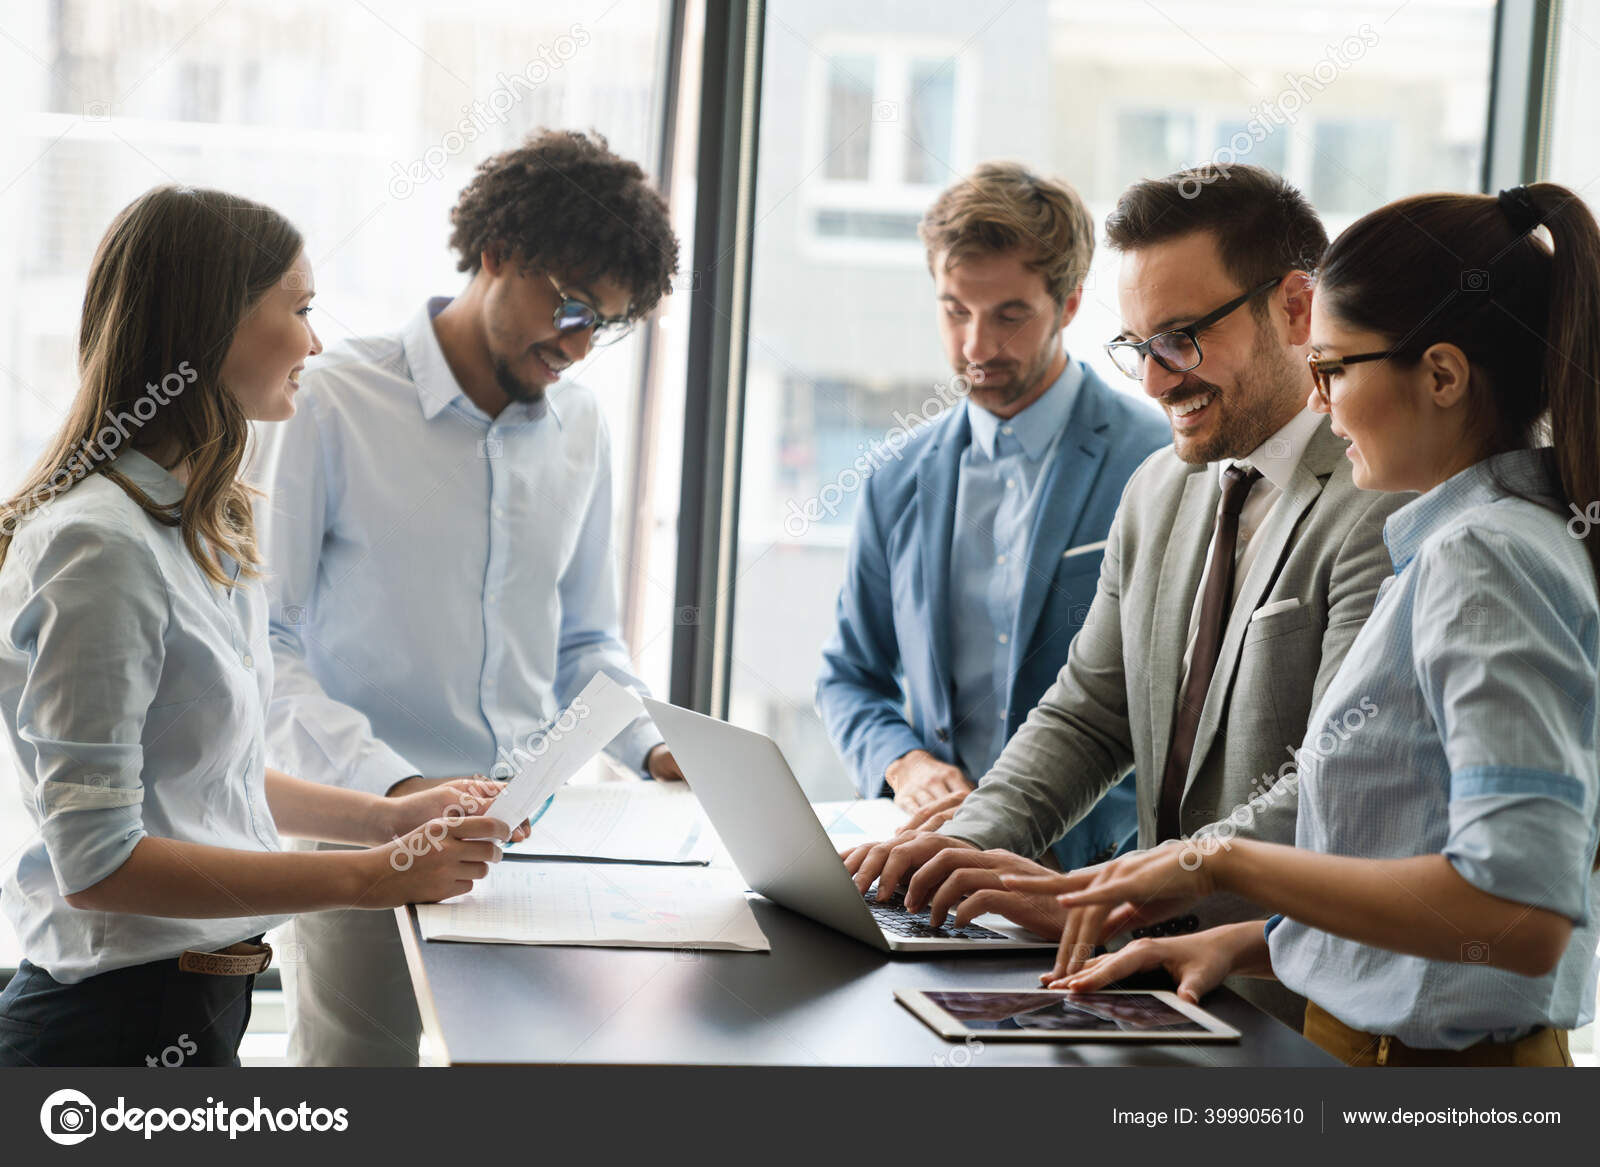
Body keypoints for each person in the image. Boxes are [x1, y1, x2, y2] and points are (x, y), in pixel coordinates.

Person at [1009, 182, 1600, 1067]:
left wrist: (1219, 865)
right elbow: (1410, 857)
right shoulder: (1470, 542)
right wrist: (1250, 942)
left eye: (1333, 370)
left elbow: (1520, 913)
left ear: (1442, 376)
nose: (1319, 402)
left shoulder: (1486, 558)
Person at [843, 164, 1408, 1028]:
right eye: (1139, 345)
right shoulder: (1158, 488)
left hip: (1298, 1006)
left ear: (1297, 308)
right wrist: (958, 849)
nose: (1154, 381)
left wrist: (1109, 892)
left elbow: (1336, 786)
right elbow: (1090, 714)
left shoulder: (1381, 499)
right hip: (1149, 986)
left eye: (1181, 338)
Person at [0, 186, 516, 1068]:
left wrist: (387, 819)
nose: (315, 342)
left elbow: (209, 771)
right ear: (214, 326)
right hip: (104, 1034)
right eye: (301, 308)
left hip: (193, 1010)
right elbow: (98, 863)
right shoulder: (97, 545)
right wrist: (372, 876)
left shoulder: (194, 523)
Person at [253, 129, 684, 1067]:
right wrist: (397, 790)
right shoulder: (331, 400)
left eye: (605, 324)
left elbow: (584, 642)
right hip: (358, 835)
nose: (579, 345)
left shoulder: (581, 426)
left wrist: (656, 747)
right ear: (497, 252)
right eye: (571, 306)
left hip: (527, 842)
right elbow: (267, 645)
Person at [815, 162, 1169, 870]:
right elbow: (849, 675)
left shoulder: (1158, 461)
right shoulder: (896, 477)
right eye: (955, 311)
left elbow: (1178, 698)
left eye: (1009, 315)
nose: (976, 347)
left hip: (1092, 876)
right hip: (930, 868)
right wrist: (905, 762)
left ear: (1069, 304)